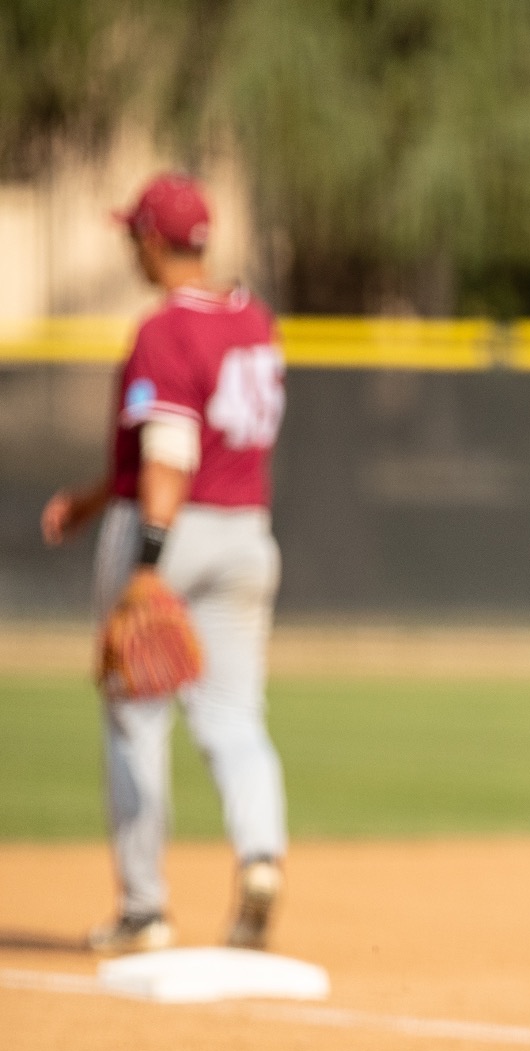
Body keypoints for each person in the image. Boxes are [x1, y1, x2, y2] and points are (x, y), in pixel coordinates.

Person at [40, 171, 290, 955]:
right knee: (235, 719)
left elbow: (171, 452)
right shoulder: (255, 318)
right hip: (247, 531)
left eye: (132, 234)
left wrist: (147, 558)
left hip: (170, 529)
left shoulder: (163, 329)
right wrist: (85, 504)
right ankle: (260, 859)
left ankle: (144, 909)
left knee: (134, 714)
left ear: (153, 239)